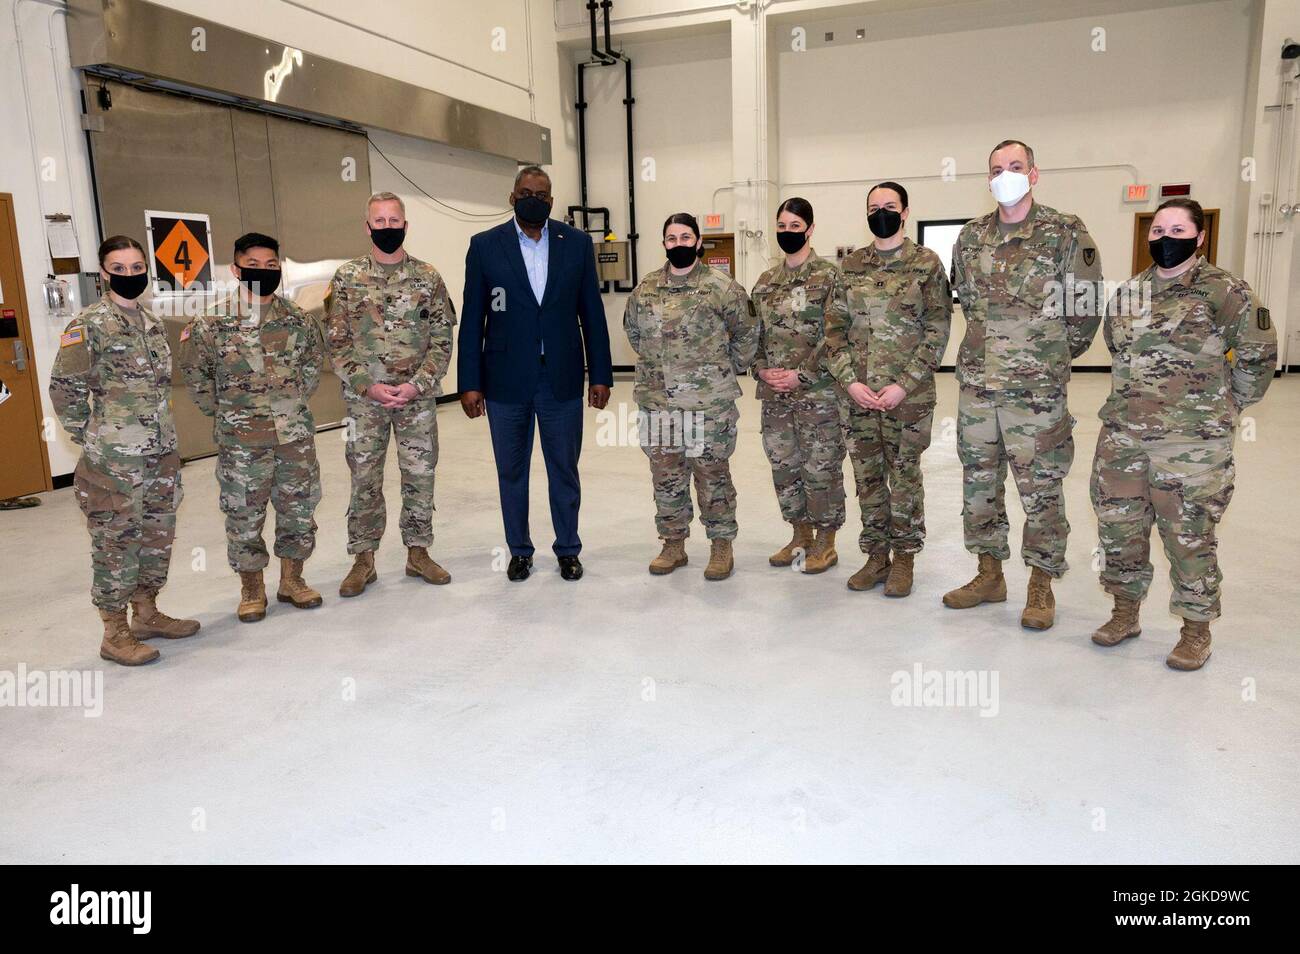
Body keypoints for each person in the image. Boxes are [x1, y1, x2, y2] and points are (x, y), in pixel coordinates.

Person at [1090, 198, 1276, 670]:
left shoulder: (1225, 290)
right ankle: (1124, 613)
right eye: (1156, 230)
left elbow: (1257, 352)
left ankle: (1195, 631)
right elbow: (1116, 345)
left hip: (1192, 444)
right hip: (1124, 436)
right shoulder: (1130, 292)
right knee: (1120, 530)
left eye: (1176, 229)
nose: (1164, 238)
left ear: (1199, 237)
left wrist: (1229, 404)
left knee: (1188, 535)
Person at [944, 139, 1103, 629]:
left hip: (1036, 393)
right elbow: (968, 303)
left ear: (1034, 173)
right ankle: (989, 572)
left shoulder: (1066, 232)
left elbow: (1085, 308)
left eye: (1015, 166)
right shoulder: (970, 237)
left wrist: (1046, 356)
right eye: (996, 168)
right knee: (979, 483)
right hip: (977, 386)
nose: (1004, 174)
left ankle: (1041, 582)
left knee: (1041, 488)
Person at [456, 165, 613, 582]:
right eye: (526, 192)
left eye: (542, 195)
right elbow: (474, 319)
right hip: (505, 381)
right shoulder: (485, 246)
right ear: (512, 197)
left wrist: (600, 373)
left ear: (551, 200)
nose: (534, 199)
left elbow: (591, 314)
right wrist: (469, 382)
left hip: (560, 378)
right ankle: (520, 550)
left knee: (564, 468)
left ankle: (568, 549)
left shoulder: (576, 244)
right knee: (512, 470)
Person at [49, 235, 198, 666]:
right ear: (103, 274)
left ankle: (147, 614)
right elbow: (65, 391)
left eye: (137, 268)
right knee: (116, 542)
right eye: (120, 268)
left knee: (156, 536)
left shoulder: (151, 323)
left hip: (161, 454)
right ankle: (114, 633)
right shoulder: (88, 325)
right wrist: (96, 438)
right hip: (114, 462)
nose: (129, 275)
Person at [180, 232, 327, 622]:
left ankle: (292, 581)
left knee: (299, 509)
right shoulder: (211, 322)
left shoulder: (298, 319)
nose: (263, 271)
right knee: (244, 514)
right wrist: (231, 413)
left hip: (293, 435)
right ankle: (251, 589)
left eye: (271, 265)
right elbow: (195, 376)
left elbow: (312, 368)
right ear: (236, 269)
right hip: (241, 440)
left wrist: (287, 405)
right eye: (254, 265)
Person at [327, 192, 458, 596]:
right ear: (367, 227)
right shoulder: (347, 278)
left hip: (415, 400)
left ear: (405, 225)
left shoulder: (428, 277)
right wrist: (368, 385)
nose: (387, 227)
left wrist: (416, 384)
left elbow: (441, 338)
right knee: (364, 478)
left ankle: (418, 552)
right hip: (364, 402)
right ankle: (363, 560)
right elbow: (336, 341)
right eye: (379, 221)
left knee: (420, 475)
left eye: (393, 220)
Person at [827, 182, 951, 596]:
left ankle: (905, 559)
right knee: (867, 478)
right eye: (873, 207)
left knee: (904, 478)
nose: (881, 212)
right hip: (859, 398)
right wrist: (850, 382)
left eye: (889, 206)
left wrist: (903, 384)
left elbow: (937, 331)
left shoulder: (926, 264)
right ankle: (876, 555)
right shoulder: (850, 267)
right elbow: (833, 332)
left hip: (907, 400)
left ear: (905, 212)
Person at [623, 212, 759, 580]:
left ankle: (720, 545)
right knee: (666, 475)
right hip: (658, 404)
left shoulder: (722, 288)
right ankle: (673, 544)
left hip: (709, 406)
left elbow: (747, 336)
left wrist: (716, 373)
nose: (679, 243)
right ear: (663, 243)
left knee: (711, 473)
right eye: (671, 238)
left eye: (686, 237)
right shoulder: (646, 289)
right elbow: (634, 334)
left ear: (698, 242)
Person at [750, 197, 847, 574]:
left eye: (795, 226)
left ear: (809, 229)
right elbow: (752, 334)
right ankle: (800, 533)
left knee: (820, 466)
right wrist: (760, 368)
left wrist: (802, 374)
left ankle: (826, 540)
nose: (787, 233)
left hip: (818, 393)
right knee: (784, 466)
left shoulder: (828, 277)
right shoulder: (765, 282)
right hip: (775, 395)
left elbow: (836, 335)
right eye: (782, 226)